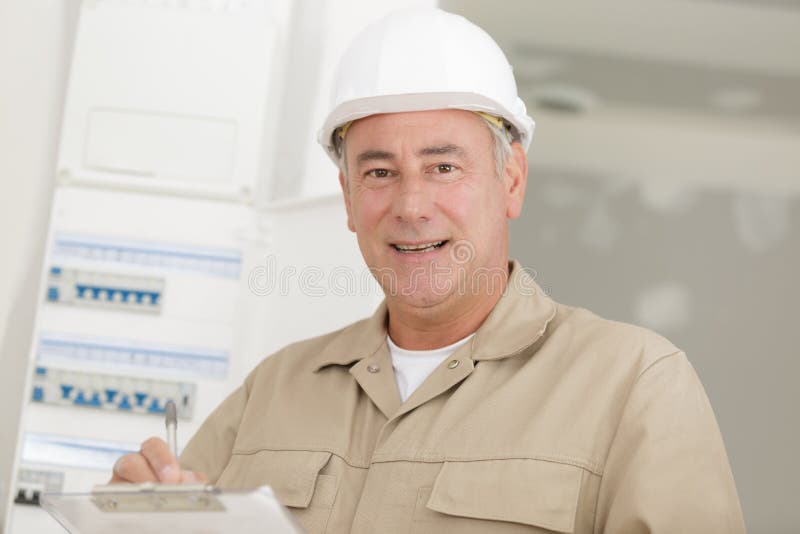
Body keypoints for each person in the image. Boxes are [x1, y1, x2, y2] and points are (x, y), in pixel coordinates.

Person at [110, 7, 745, 533]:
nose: (411, 206)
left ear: (512, 180)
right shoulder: (273, 391)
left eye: (444, 167)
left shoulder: (633, 383)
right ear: (349, 199)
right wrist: (146, 518)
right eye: (379, 173)